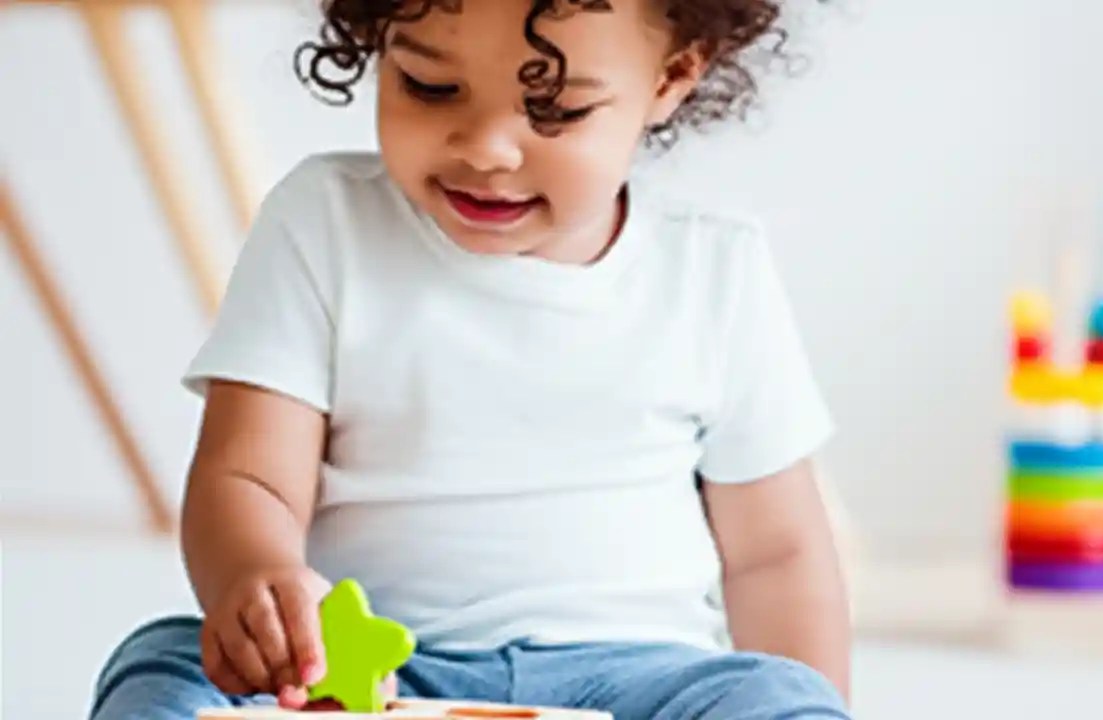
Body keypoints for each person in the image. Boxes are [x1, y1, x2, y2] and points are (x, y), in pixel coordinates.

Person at [89, 0, 852, 717]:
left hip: (639, 684)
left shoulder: (715, 266)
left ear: (671, 77)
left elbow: (775, 554)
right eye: (429, 86)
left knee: (773, 692)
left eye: (556, 107)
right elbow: (247, 475)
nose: (486, 147)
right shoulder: (321, 222)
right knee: (163, 664)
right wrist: (262, 586)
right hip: (364, 681)